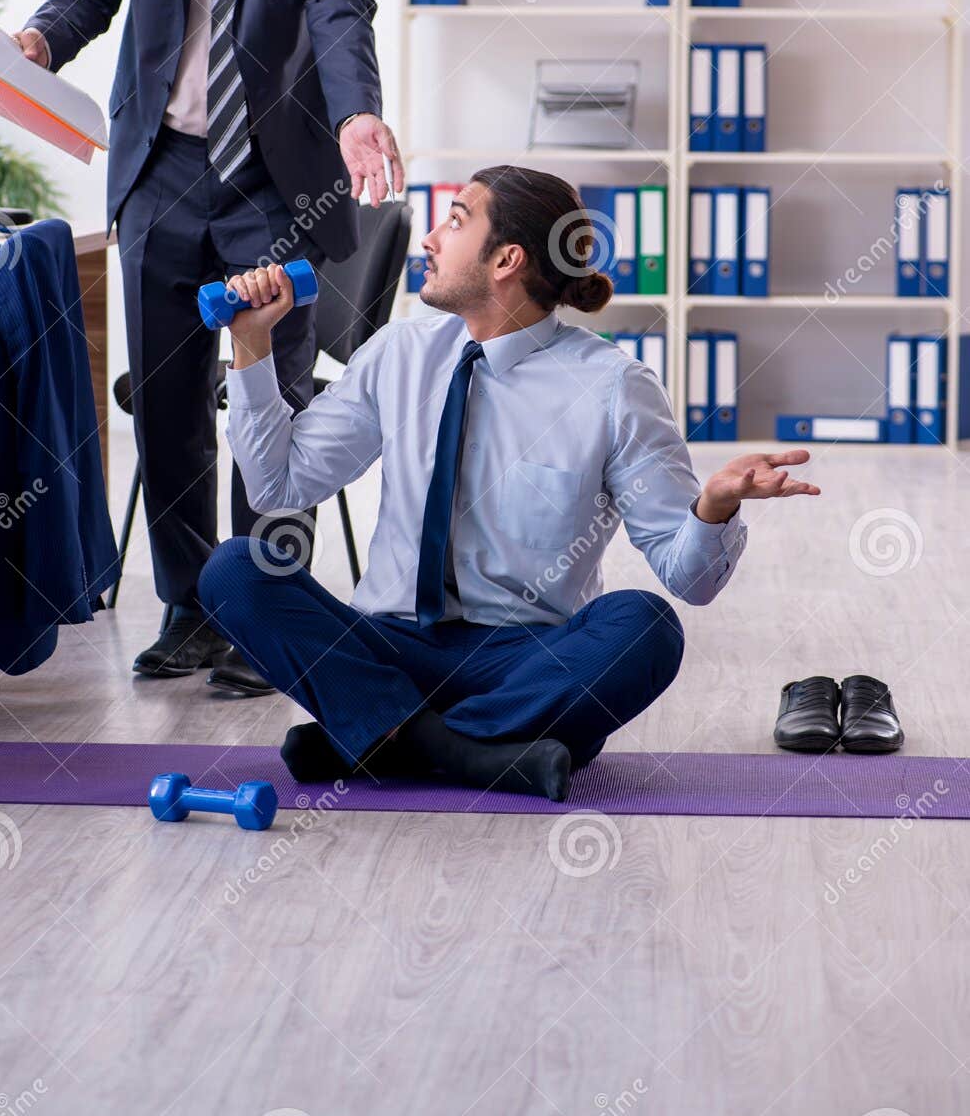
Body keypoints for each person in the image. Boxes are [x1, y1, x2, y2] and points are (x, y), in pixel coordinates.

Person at [198, 166, 820, 801]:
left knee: (645, 625)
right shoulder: (400, 352)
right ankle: (472, 753)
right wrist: (250, 344)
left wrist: (714, 507)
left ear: (507, 259)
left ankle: (381, 734)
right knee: (235, 571)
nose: (431, 239)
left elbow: (690, 581)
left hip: (524, 663)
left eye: (457, 221)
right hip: (389, 643)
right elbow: (279, 488)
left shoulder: (613, 386)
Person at [12, 0, 403, 692]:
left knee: (275, 397)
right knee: (171, 400)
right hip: (162, 165)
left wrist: (357, 113)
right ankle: (191, 609)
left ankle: (263, 612)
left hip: (277, 176)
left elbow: (338, 6)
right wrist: (33, 43)